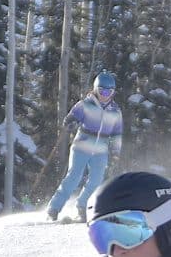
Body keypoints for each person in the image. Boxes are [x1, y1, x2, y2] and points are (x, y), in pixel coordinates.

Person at [46, 71, 125, 222]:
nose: (105, 95)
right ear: (96, 89)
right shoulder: (85, 104)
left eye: (109, 92)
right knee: (74, 177)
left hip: (101, 150)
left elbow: (117, 134)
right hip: (82, 145)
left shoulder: (115, 111)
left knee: (96, 179)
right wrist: (71, 122)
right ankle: (54, 208)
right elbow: (69, 118)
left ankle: (82, 205)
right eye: (102, 91)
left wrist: (115, 152)